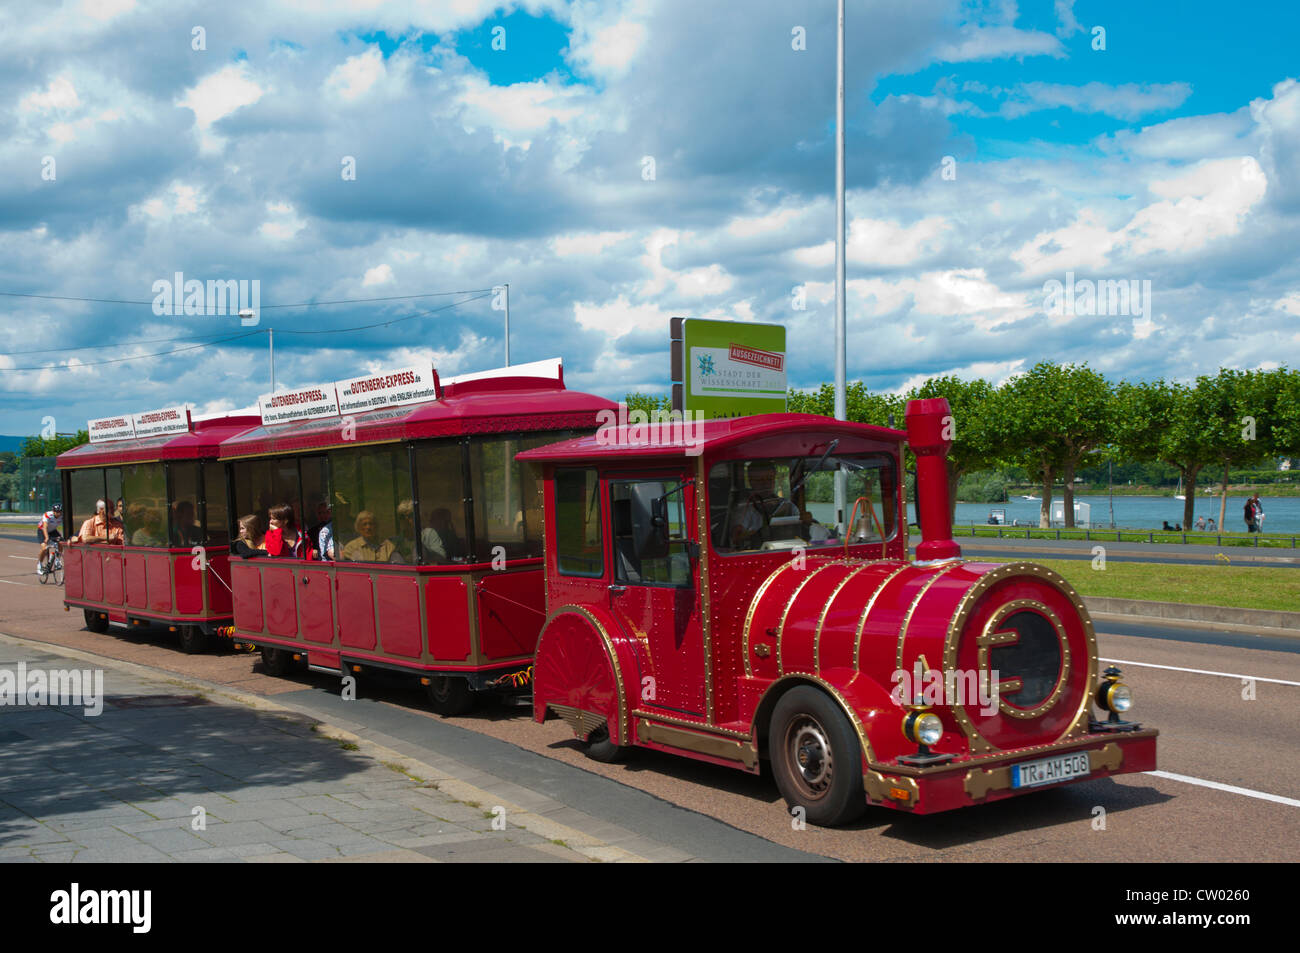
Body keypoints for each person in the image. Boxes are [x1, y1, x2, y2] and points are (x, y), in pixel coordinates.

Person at [729, 461, 798, 548]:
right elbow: (736, 537)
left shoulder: (788, 506)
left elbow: (801, 530)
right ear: (750, 481)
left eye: (769, 479)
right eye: (759, 480)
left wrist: (807, 521)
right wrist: (752, 534)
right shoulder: (743, 508)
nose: (765, 484)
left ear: (774, 480)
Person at [37, 503, 63, 573]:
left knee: (61, 542)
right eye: (57, 512)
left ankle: (57, 560)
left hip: (52, 531)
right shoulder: (48, 515)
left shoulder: (62, 516)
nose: (59, 513)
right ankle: (39, 564)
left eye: (60, 512)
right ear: (53, 511)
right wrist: (46, 537)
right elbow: (45, 527)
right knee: (44, 548)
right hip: (42, 530)